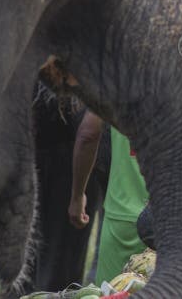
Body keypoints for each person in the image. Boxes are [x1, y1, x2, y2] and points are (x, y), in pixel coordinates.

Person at [69, 111, 148, 285]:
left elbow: (88, 133)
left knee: (111, 292)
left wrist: (78, 196)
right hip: (174, 217)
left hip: (123, 219)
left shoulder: (119, 91)